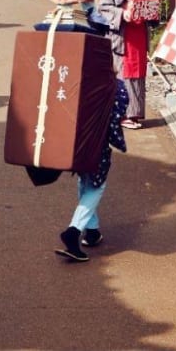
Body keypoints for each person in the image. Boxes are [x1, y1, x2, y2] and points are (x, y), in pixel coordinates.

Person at [55, 80, 128, 263]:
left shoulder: (77, 79)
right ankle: (73, 231)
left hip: (75, 142)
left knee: (85, 181)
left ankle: (92, 231)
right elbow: (114, 119)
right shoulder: (114, 86)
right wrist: (119, 142)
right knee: (96, 187)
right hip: (97, 144)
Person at [97, 0, 160, 128]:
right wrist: (121, 13)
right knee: (124, 72)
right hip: (124, 34)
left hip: (139, 33)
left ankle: (135, 113)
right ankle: (124, 114)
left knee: (139, 72)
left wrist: (152, 8)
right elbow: (103, 7)